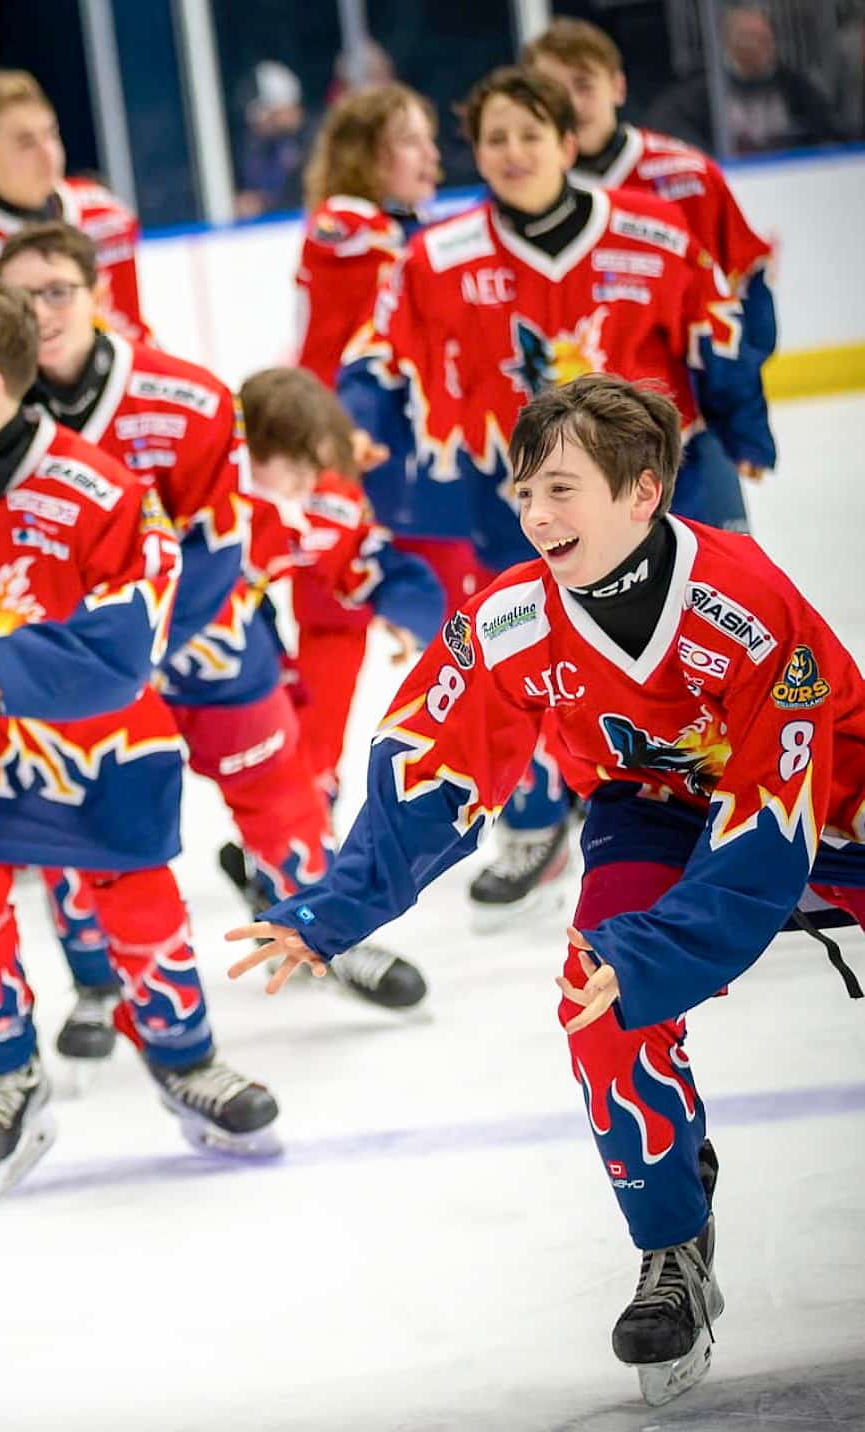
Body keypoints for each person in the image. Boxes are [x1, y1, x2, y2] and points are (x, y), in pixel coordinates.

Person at [227, 374, 865, 1409]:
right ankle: (670, 1243)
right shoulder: (508, 619)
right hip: (649, 808)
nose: (531, 513)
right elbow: (427, 768)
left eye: (559, 488)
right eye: (523, 488)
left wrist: (664, 950)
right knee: (592, 997)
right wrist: (329, 911)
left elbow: (769, 818)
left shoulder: (745, 605)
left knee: (637, 957)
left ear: (642, 493)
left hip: (826, 795)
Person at [0, 277, 282, 1189]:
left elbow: (127, 640)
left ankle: (186, 1063)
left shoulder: (99, 486)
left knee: (142, 904)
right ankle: (7, 1076)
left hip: (98, 748)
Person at [337, 66, 775, 931]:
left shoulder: (652, 232)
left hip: (663, 485)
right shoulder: (437, 254)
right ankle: (538, 821)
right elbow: (379, 356)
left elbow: (717, 333)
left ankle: (750, 811)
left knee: (713, 646)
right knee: (525, 666)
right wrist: (356, 425)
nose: (510, 152)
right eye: (493, 138)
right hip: (517, 499)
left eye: (528, 134)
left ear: (567, 142)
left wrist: (745, 428)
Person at [0, 221, 429, 1016]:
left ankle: (328, 931)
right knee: (76, 821)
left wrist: (146, 641)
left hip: (211, 648)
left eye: (58, 289)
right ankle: (99, 983)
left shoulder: (184, 396)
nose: (43, 309)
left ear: (96, 293)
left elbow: (228, 541)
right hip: (81, 668)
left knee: (283, 796)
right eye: (23, 295)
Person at [525, 16, 778, 530]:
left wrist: (743, 421)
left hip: (689, 435)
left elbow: (742, 295)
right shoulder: (529, 198)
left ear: (617, 86)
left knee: (721, 579)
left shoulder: (687, 177)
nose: (572, 103)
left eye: (584, 84)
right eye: (555, 89)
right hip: (572, 445)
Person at [237, 366, 444, 802]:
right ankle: (286, 816)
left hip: (336, 624)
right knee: (272, 717)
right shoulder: (267, 482)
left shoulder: (328, 503)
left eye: (303, 474)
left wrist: (397, 610)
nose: (302, 485)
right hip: (293, 611)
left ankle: (312, 812)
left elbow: (300, 551)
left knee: (316, 728)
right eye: (292, 476)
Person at [293, 82, 443, 575]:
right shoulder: (345, 224)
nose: (430, 154)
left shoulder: (411, 229)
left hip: (397, 437)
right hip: (344, 434)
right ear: (366, 156)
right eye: (408, 141)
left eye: (429, 139)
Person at [0, 69, 147, 342]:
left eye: (51, 134)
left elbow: (133, 326)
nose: (48, 154)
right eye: (26, 143)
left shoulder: (106, 213)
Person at [648, 2, 840, 156]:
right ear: (728, 40)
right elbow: (666, 128)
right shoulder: (700, 90)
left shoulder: (794, 86)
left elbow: (827, 133)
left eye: (765, 36)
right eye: (750, 36)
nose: (762, 44)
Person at [236, 61, 311, 219]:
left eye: (269, 114)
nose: (259, 125)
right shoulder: (262, 145)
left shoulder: (317, 139)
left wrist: (264, 205)